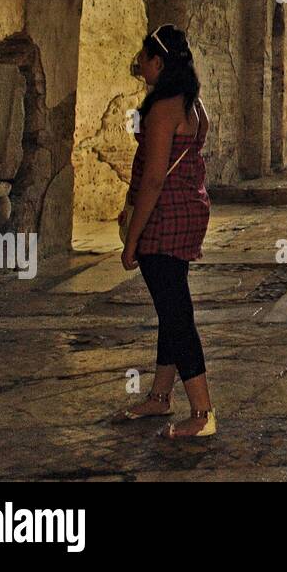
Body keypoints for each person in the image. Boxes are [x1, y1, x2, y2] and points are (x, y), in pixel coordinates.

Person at [113, 23, 218, 437]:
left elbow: (153, 179)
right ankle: (159, 397)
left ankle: (202, 413)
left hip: (164, 217)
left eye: (143, 58)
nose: (138, 64)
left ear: (158, 62)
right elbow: (193, 147)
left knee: (177, 314)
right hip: (188, 211)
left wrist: (132, 240)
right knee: (169, 307)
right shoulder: (193, 105)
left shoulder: (162, 109)